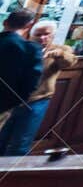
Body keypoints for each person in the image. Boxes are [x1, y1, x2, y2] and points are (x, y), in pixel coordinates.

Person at [0, 21, 73, 156]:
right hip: (12, 100)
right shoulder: (22, 47)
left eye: (46, 34)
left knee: (21, 142)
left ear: (53, 35)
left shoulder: (61, 50)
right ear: (30, 34)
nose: (42, 38)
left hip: (37, 101)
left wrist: (59, 55)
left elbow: (69, 61)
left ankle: (11, 175)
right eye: (38, 35)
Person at [0, 9, 42, 126]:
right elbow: (31, 82)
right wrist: (15, 102)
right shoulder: (31, 49)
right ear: (29, 25)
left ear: (5, 22)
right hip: (4, 104)